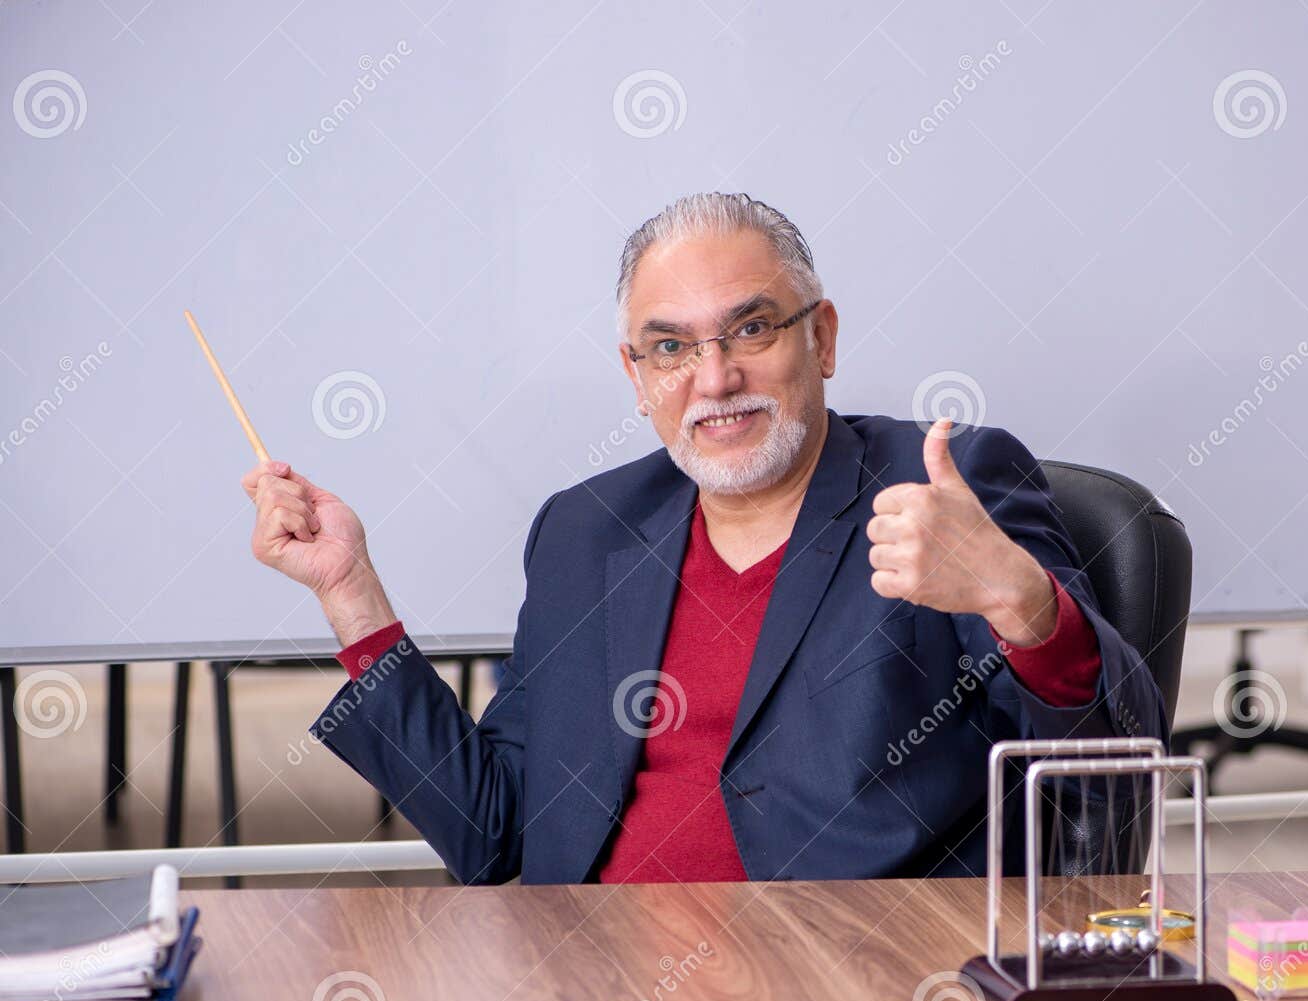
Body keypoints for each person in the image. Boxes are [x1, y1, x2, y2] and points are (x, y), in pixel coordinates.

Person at [241, 192, 1166, 885]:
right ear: (636, 376)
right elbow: (494, 833)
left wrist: (1024, 603)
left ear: (823, 339)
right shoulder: (583, 531)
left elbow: (1115, 773)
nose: (714, 378)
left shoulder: (944, 486)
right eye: (671, 348)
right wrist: (351, 594)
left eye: (750, 329)